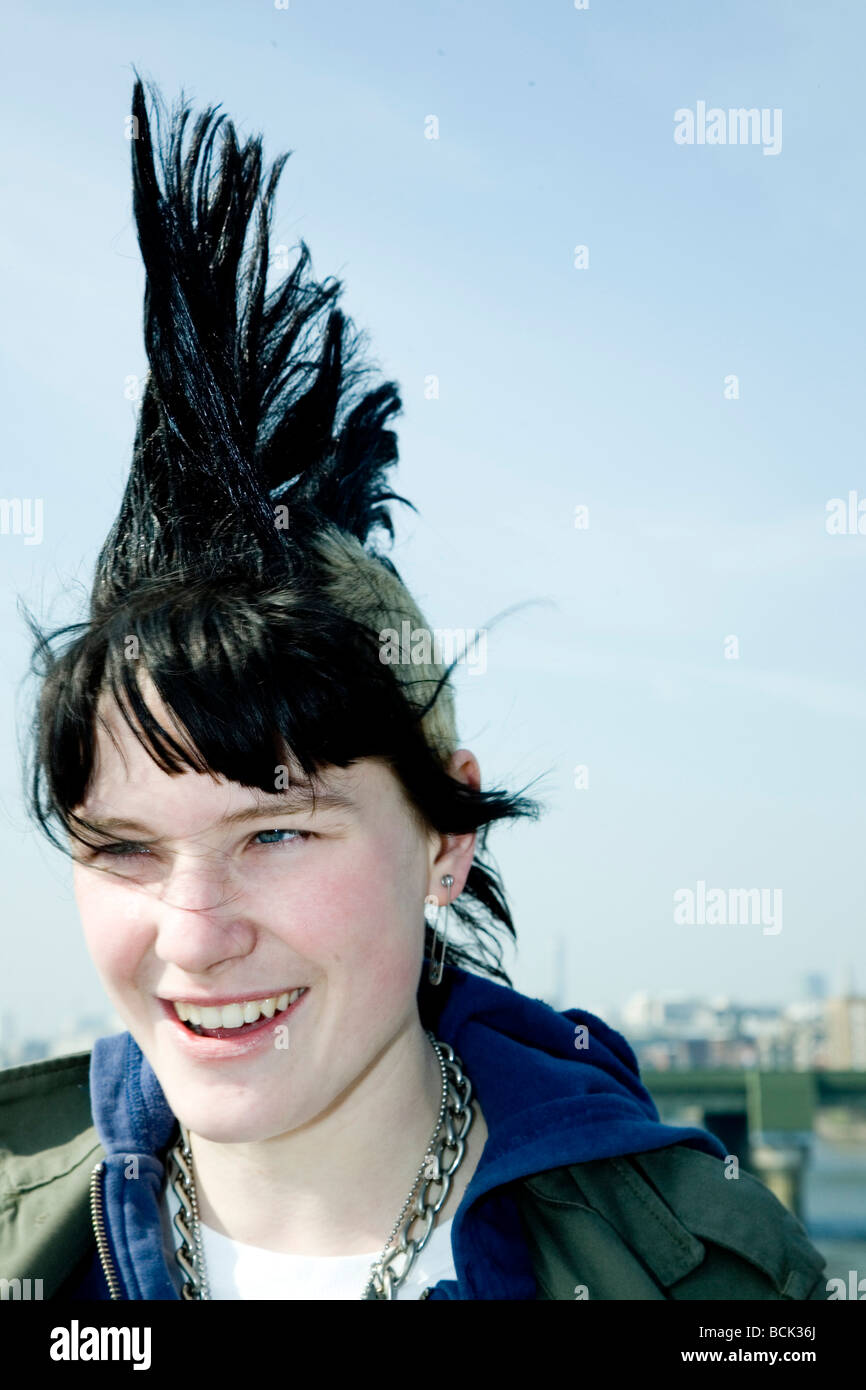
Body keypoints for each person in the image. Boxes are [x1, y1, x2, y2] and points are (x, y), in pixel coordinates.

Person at [0, 77, 829, 1302]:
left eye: (274, 829)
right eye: (123, 847)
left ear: (444, 836)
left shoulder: (709, 1281)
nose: (192, 934)